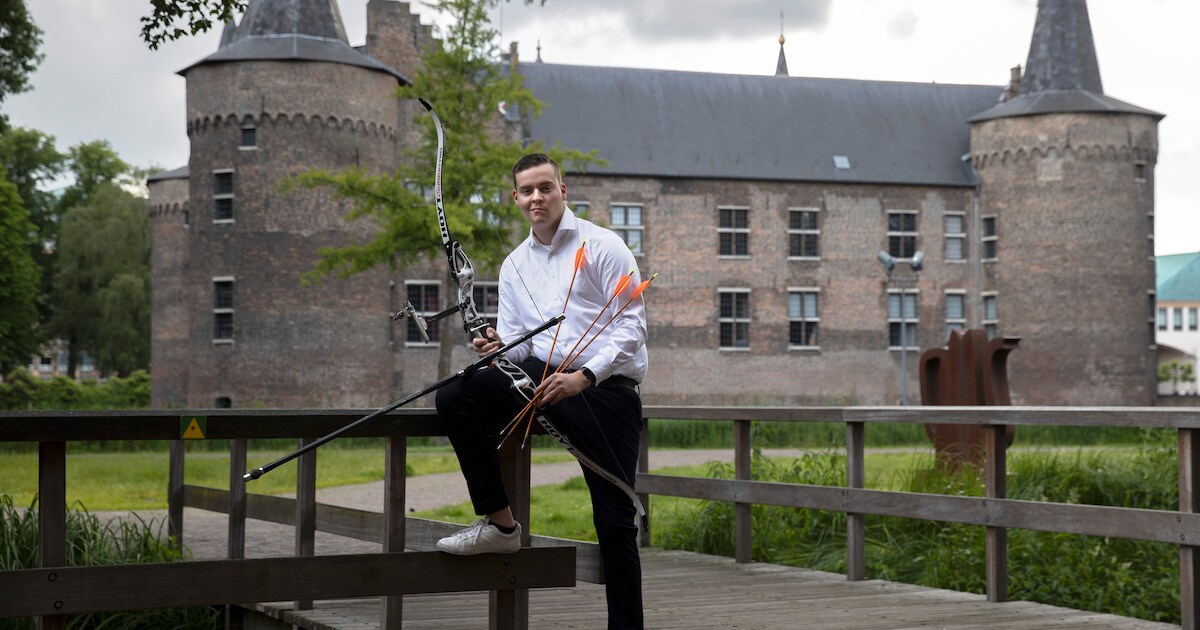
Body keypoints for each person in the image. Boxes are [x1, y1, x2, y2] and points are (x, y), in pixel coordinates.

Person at [435, 153, 648, 629]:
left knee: (615, 523)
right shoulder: (514, 265)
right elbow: (520, 347)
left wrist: (584, 376)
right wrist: (496, 345)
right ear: (516, 198)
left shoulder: (604, 245)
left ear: (562, 191)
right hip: (542, 380)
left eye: (545, 188)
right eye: (527, 190)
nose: (537, 197)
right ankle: (500, 524)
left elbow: (631, 327)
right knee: (455, 396)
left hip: (605, 389)